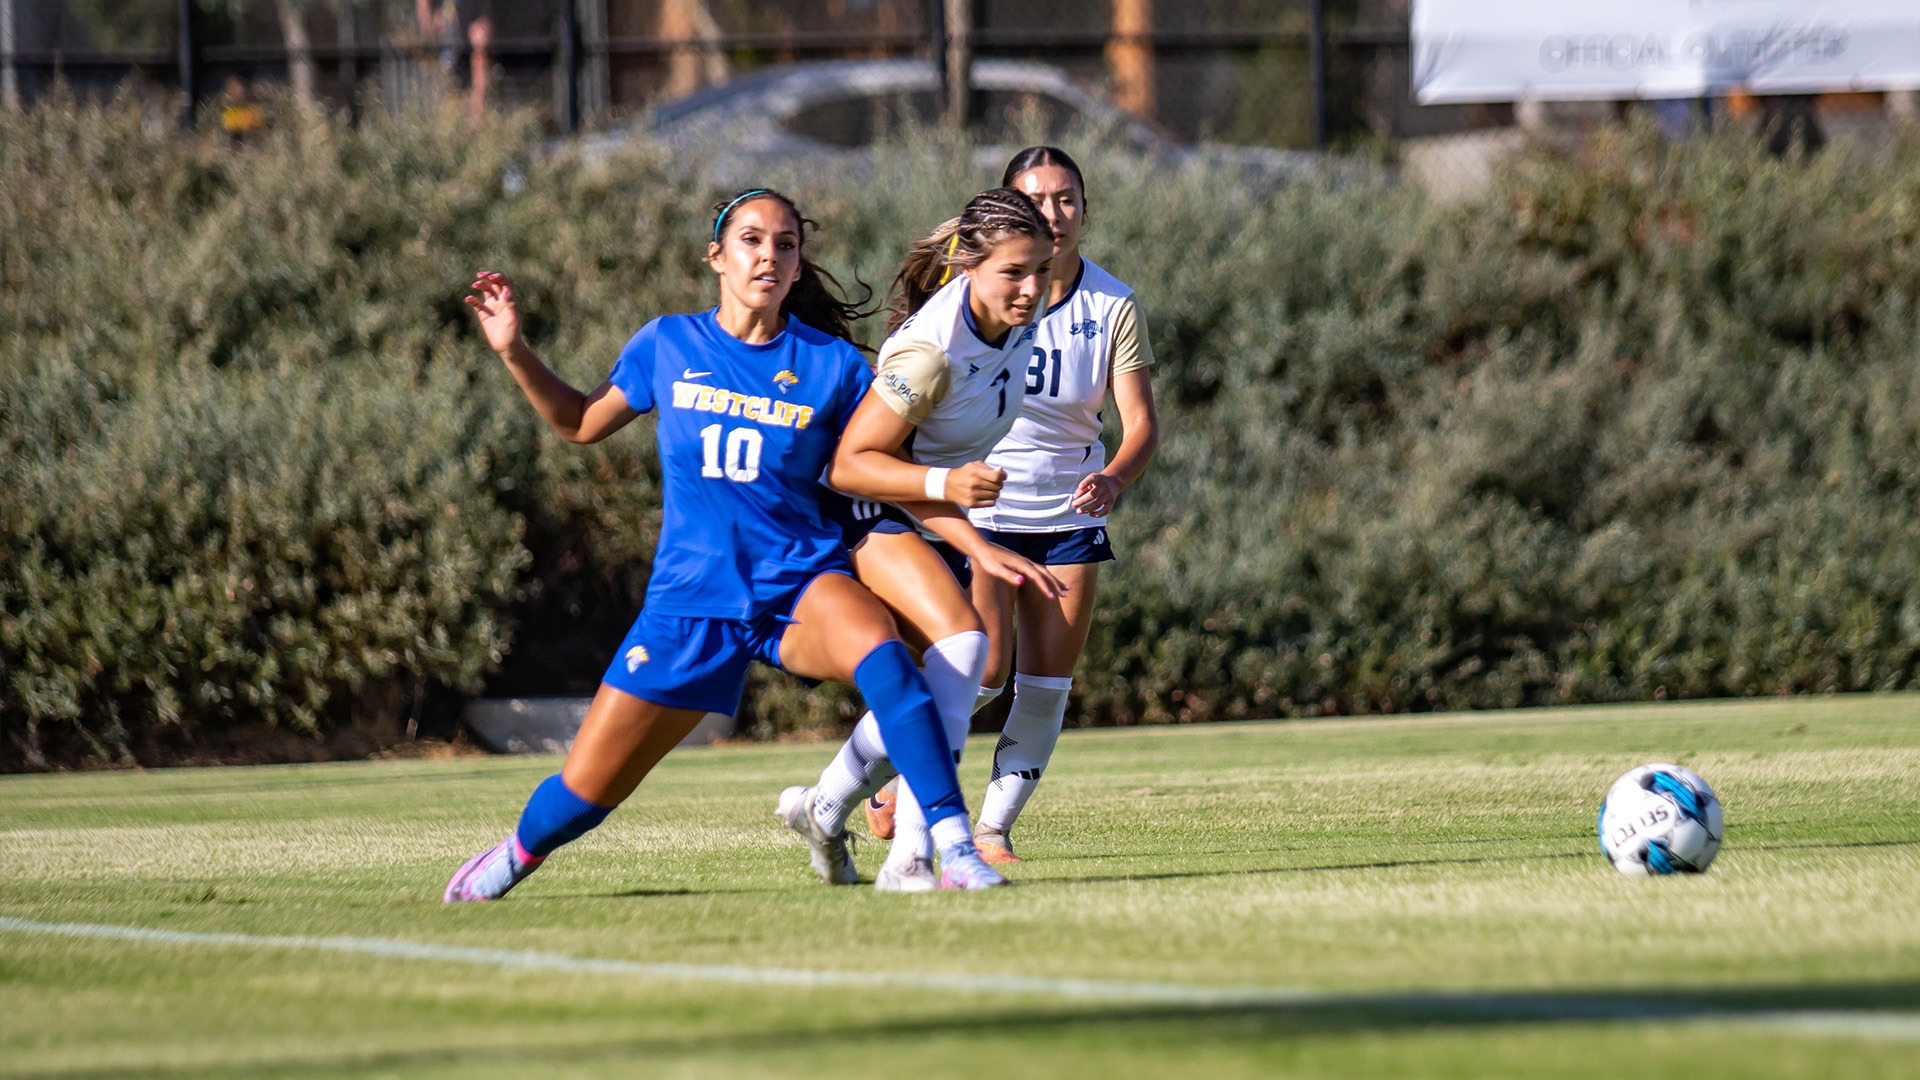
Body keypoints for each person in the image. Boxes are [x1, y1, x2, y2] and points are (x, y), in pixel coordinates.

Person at [444, 188, 1012, 901]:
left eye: (784, 244)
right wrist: (514, 349)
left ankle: (951, 849)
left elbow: (874, 474)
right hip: (690, 605)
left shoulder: (832, 365)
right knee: (589, 790)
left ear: (799, 265)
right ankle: (515, 857)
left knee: (888, 661)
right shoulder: (668, 344)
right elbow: (579, 424)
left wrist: (964, 525)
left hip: (797, 583)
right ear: (716, 256)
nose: (768, 256)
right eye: (750, 240)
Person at [865, 146, 1160, 864]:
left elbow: (1141, 425)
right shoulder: (973, 301)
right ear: (1009, 216)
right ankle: (881, 781)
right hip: (984, 513)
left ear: (1086, 211)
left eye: (1068, 199)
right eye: (1038, 200)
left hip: (1069, 517)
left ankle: (991, 830)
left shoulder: (1111, 304)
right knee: (983, 669)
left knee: (1045, 685)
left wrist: (1115, 478)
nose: (1055, 213)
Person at [781, 187, 1067, 891]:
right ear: (970, 265)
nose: (1031, 289)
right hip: (864, 508)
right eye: (1014, 273)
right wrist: (956, 503)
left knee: (942, 683)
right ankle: (914, 854)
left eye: (1040, 270)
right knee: (965, 653)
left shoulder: (1016, 317)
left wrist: (970, 531)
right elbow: (853, 466)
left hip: (924, 507)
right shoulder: (930, 352)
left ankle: (824, 806)